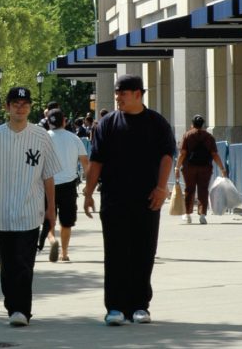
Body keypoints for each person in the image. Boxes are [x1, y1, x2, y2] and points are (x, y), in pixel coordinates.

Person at [83, 74, 176, 326]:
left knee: (144, 252)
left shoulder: (157, 123)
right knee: (115, 253)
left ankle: (139, 306)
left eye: (122, 93)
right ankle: (114, 307)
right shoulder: (107, 124)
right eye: (116, 93)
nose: (117, 98)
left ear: (138, 94)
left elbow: (167, 156)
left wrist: (161, 188)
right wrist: (89, 192)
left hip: (148, 199)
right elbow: (97, 160)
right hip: (114, 199)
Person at [0, 86, 61, 328]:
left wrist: (52, 209)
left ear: (30, 107)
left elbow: (49, 176)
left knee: (24, 262)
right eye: (15, 103)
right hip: (1, 211)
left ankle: (22, 310)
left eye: (24, 103)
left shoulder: (41, 136)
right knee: (7, 262)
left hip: (31, 211)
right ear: (7, 107)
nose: (20, 108)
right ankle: (12, 305)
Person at [38, 108, 89, 262]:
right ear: (64, 121)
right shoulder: (74, 139)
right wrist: (89, 185)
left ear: (48, 122)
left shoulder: (43, 138)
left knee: (49, 218)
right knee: (67, 221)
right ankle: (64, 253)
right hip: (68, 185)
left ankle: (53, 240)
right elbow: (85, 163)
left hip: (47, 184)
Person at [174, 115, 227, 224]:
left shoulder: (187, 135)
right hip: (205, 167)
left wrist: (177, 167)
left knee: (189, 189)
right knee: (203, 189)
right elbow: (214, 154)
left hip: (189, 167)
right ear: (203, 125)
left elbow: (183, 153)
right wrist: (222, 168)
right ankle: (202, 215)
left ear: (192, 124)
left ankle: (188, 214)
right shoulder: (209, 137)